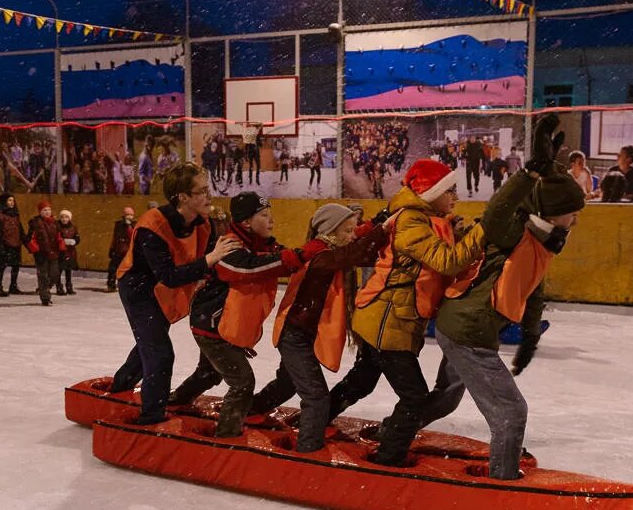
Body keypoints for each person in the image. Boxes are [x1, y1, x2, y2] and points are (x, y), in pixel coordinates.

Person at [419, 115, 586, 479]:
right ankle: (504, 483)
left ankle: (396, 430)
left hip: (467, 329)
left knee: (446, 398)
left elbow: (533, 287)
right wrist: (529, 172)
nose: (576, 220)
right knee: (511, 411)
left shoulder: (543, 241)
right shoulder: (512, 231)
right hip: (467, 333)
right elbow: (496, 212)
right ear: (555, 213)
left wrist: (530, 336)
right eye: (573, 213)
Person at [330, 159, 486, 467]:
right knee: (414, 397)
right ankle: (389, 457)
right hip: (386, 321)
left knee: (361, 382)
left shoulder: (429, 219)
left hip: (388, 318)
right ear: (430, 192)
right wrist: (483, 231)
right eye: (449, 190)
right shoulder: (412, 221)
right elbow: (446, 261)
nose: (456, 196)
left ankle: (316, 417)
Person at [248, 204, 393, 453]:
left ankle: (249, 409)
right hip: (294, 334)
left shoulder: (331, 248)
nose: (352, 235)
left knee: (288, 383)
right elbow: (357, 253)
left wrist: (379, 221)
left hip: (304, 333)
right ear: (331, 231)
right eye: (347, 231)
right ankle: (309, 450)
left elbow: (358, 244)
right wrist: (383, 229)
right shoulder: (322, 255)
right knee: (316, 397)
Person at [108, 163, 241, 424]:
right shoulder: (152, 226)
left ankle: (120, 384)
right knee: (159, 352)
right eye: (202, 191)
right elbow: (168, 276)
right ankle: (151, 418)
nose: (209, 196)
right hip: (138, 288)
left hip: (165, 288)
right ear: (183, 197)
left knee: (150, 342)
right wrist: (209, 260)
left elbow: (209, 257)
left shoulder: (203, 223)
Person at [170, 192, 308, 437]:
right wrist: (290, 259)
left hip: (224, 324)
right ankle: (227, 435)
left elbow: (277, 257)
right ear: (246, 222)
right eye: (264, 216)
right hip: (212, 326)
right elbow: (247, 268)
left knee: (209, 373)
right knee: (243, 383)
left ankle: (175, 401)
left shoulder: (264, 245)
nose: (271, 220)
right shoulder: (230, 246)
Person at [25, 200, 65, 306]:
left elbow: (59, 236)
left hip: (53, 252)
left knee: (55, 274)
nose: (47, 212)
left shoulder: (55, 223)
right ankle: (45, 297)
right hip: (41, 253)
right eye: (44, 210)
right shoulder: (36, 223)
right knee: (43, 275)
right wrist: (36, 249)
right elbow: (31, 238)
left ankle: (45, 287)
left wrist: (61, 245)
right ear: (40, 212)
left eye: (49, 210)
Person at [0, 193, 27, 297]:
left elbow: (20, 230)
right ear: (4, 202)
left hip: (15, 244)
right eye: (9, 200)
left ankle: (13, 285)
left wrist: (26, 241)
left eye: (13, 200)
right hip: (4, 244)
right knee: (2, 266)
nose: (12, 203)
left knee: (16, 265)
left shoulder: (15, 215)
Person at [106, 207, 135, 293]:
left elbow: (132, 237)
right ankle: (111, 285)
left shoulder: (134, 225)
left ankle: (127, 286)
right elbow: (115, 237)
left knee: (127, 270)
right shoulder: (118, 224)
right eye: (127, 215)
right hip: (119, 250)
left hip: (128, 251)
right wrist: (111, 248)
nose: (129, 217)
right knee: (113, 269)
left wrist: (129, 226)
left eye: (130, 215)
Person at [56, 210, 80, 296]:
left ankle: (69, 287)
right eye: (62, 217)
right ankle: (59, 287)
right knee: (59, 270)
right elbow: (56, 237)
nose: (64, 219)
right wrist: (63, 241)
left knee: (68, 270)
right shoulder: (57, 226)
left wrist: (74, 241)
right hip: (61, 252)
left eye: (66, 217)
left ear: (69, 218)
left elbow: (77, 238)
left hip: (70, 252)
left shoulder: (73, 227)